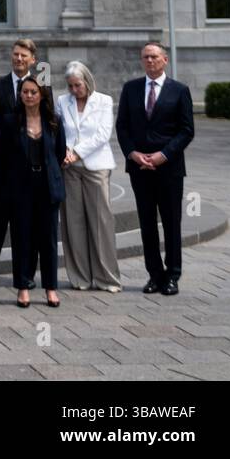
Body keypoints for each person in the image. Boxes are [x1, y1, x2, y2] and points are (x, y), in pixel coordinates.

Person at [115, 42, 194, 297]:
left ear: (165, 60)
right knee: (147, 223)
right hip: (140, 168)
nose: (149, 61)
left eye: (154, 57)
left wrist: (164, 155)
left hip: (168, 169)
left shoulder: (179, 91)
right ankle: (154, 274)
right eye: (145, 57)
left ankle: (172, 275)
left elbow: (186, 130)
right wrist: (133, 153)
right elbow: (122, 127)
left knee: (171, 223)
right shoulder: (131, 89)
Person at [56, 62, 121, 292]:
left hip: (96, 166)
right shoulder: (63, 102)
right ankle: (79, 277)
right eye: (70, 86)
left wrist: (77, 153)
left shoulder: (103, 101)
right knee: (73, 222)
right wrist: (64, 152)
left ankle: (107, 278)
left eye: (78, 85)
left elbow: (104, 134)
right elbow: (59, 130)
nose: (74, 90)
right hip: (69, 168)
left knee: (101, 221)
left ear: (87, 81)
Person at [7, 76, 67, 309]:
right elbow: (5, 156)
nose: (28, 96)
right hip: (22, 186)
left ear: (41, 95)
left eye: (33, 92)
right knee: (22, 237)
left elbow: (60, 154)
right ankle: (23, 287)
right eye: (25, 92)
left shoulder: (54, 122)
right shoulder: (12, 121)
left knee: (48, 239)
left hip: (47, 186)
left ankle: (50, 288)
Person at [0, 38, 37, 282]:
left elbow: (46, 123)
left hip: (31, 169)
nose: (18, 59)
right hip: (4, 165)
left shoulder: (40, 87)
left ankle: (23, 275)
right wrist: (9, 139)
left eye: (23, 55)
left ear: (32, 60)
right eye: (15, 54)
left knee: (24, 223)